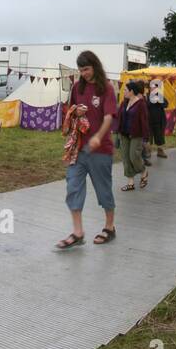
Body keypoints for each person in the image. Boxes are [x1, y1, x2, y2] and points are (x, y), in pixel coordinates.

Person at [58, 49, 118, 250]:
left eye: (86, 69)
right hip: (79, 149)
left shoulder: (107, 89)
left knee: (103, 190)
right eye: (81, 70)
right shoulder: (77, 87)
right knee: (73, 186)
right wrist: (75, 112)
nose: (83, 73)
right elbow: (71, 111)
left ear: (95, 66)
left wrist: (98, 137)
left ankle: (110, 227)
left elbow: (109, 117)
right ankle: (78, 232)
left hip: (100, 150)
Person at [119, 79, 154, 191]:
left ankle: (143, 171)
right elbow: (119, 117)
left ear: (132, 91)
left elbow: (144, 121)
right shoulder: (124, 102)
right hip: (124, 134)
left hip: (136, 135)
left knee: (134, 157)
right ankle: (130, 183)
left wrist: (146, 137)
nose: (123, 92)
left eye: (125, 90)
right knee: (126, 158)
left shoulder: (140, 104)